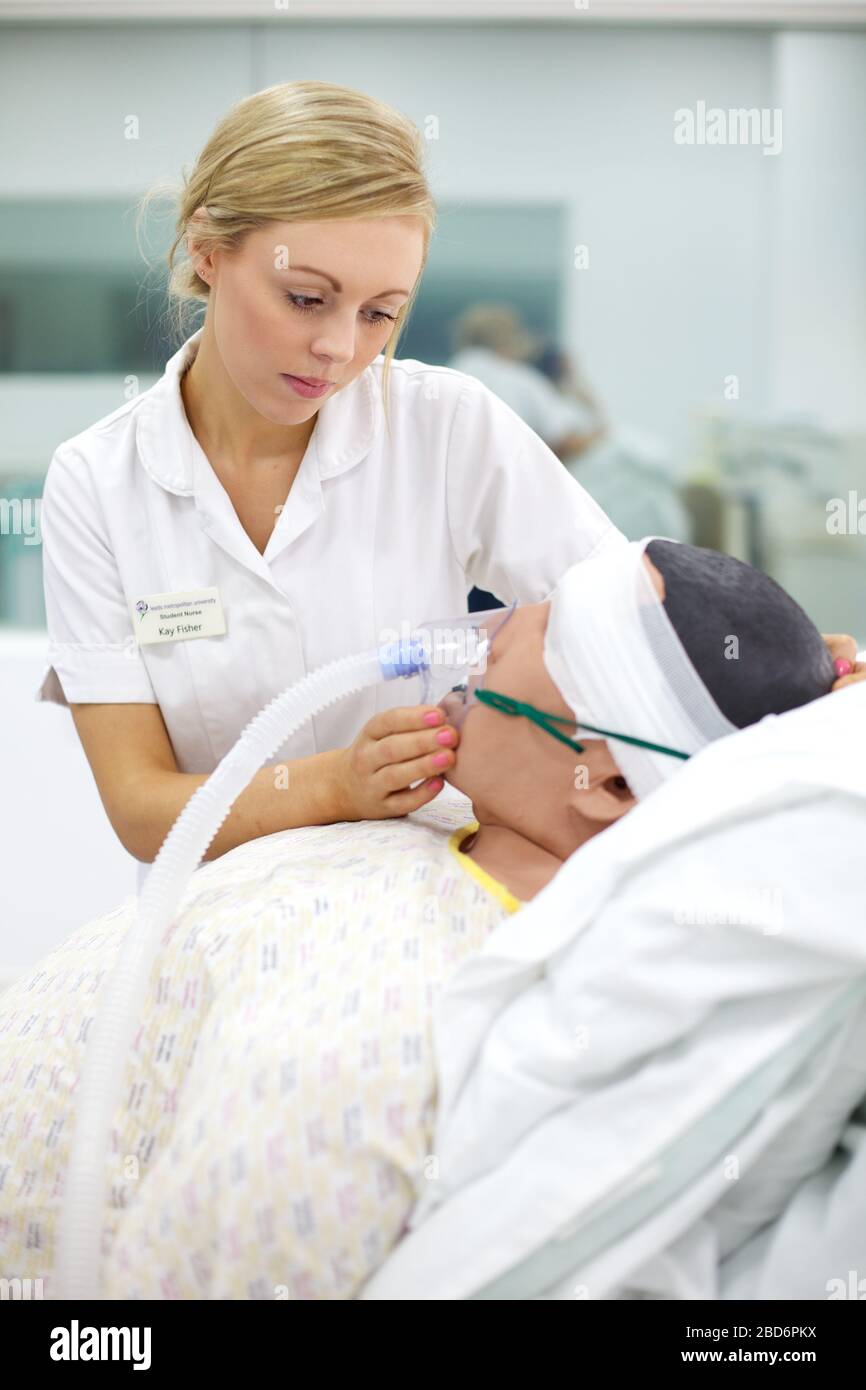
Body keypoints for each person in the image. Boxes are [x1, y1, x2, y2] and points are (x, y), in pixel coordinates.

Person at [4, 539, 860, 1299]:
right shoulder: (445, 818)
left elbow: (227, 1254)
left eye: (547, 628)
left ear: (610, 785)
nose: (491, 630)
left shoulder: (375, 1034)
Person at [34, 81, 624, 888]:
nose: (339, 349)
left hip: (414, 902)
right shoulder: (95, 483)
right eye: (306, 299)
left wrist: (782, 663)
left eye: (380, 313)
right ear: (206, 248)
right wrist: (337, 783)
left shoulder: (444, 426)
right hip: (216, 921)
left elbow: (628, 611)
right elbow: (141, 807)